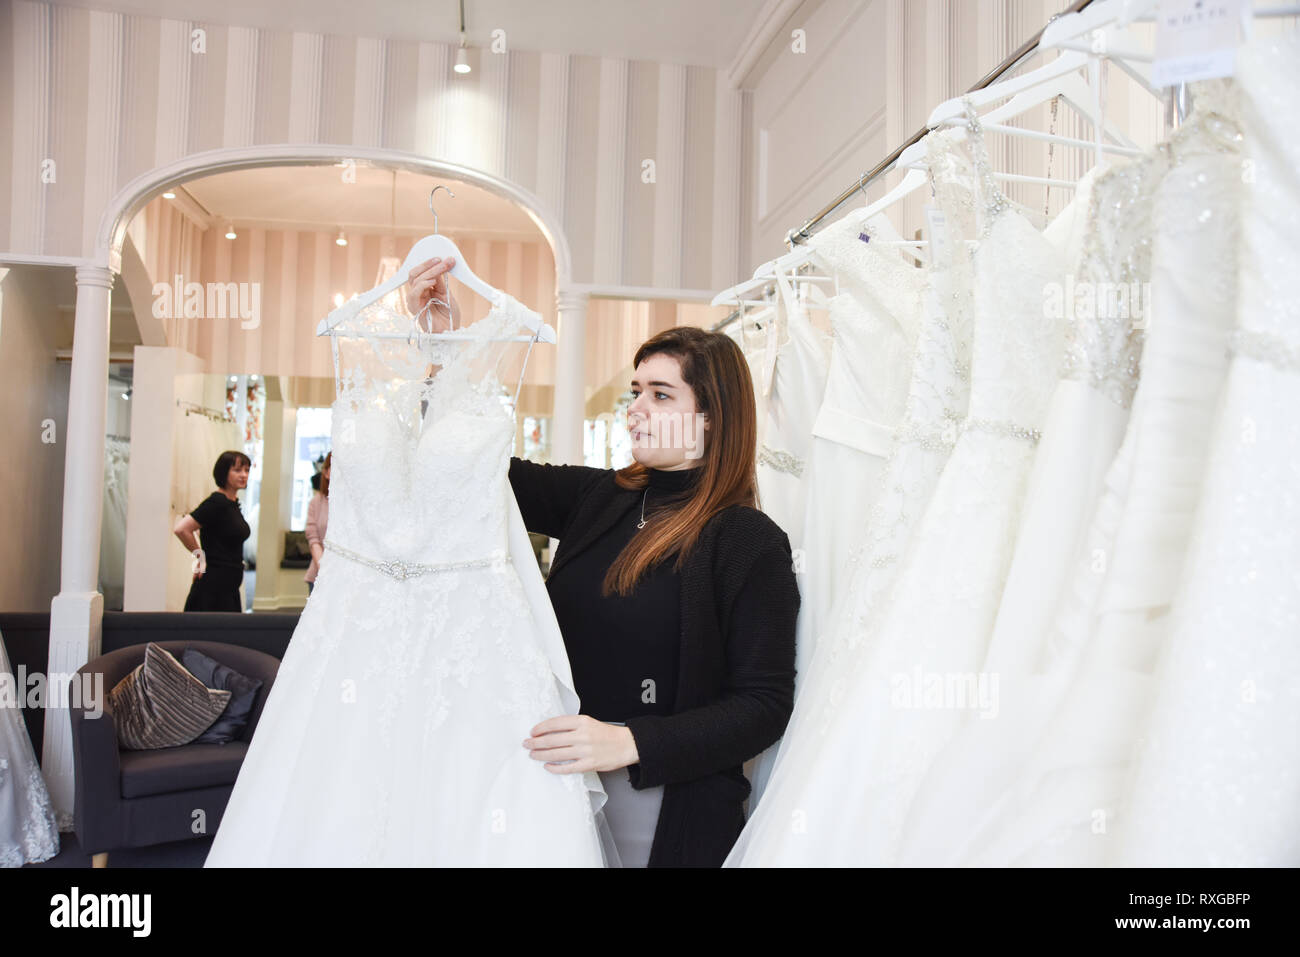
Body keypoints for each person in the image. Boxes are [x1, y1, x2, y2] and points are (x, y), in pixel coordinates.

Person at [405, 258, 800, 867]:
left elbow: (763, 705)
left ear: (712, 418)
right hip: (555, 785)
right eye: (635, 391)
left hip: (660, 801)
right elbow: (473, 470)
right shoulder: (602, 496)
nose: (636, 407)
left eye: (661, 394)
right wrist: (445, 352)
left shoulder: (748, 541)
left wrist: (629, 741)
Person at [174, 450, 251, 612]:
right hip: (214, 587)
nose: (243, 475)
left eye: (246, 470)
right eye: (237, 470)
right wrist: (200, 557)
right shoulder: (217, 502)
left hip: (229, 585)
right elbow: (182, 529)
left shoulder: (232, 504)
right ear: (224, 472)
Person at [304, 452, 330, 595]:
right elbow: (313, 540)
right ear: (326, 472)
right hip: (319, 574)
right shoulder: (316, 502)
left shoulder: (354, 505)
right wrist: (324, 569)